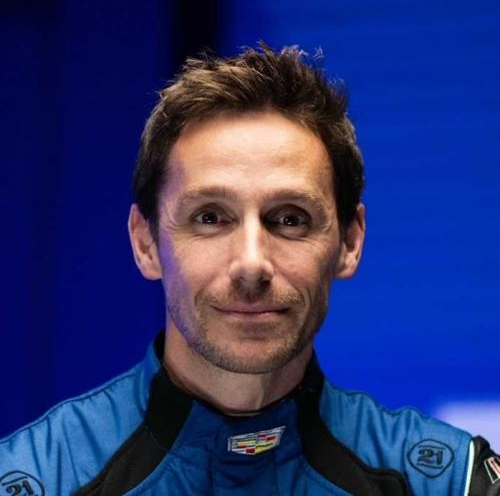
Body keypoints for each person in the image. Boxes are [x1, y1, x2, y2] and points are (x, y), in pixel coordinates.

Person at [0, 44, 498, 496]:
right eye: (210, 218)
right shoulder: (39, 478)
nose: (252, 263)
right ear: (145, 242)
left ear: (349, 242)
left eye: (290, 219)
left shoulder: (447, 481)